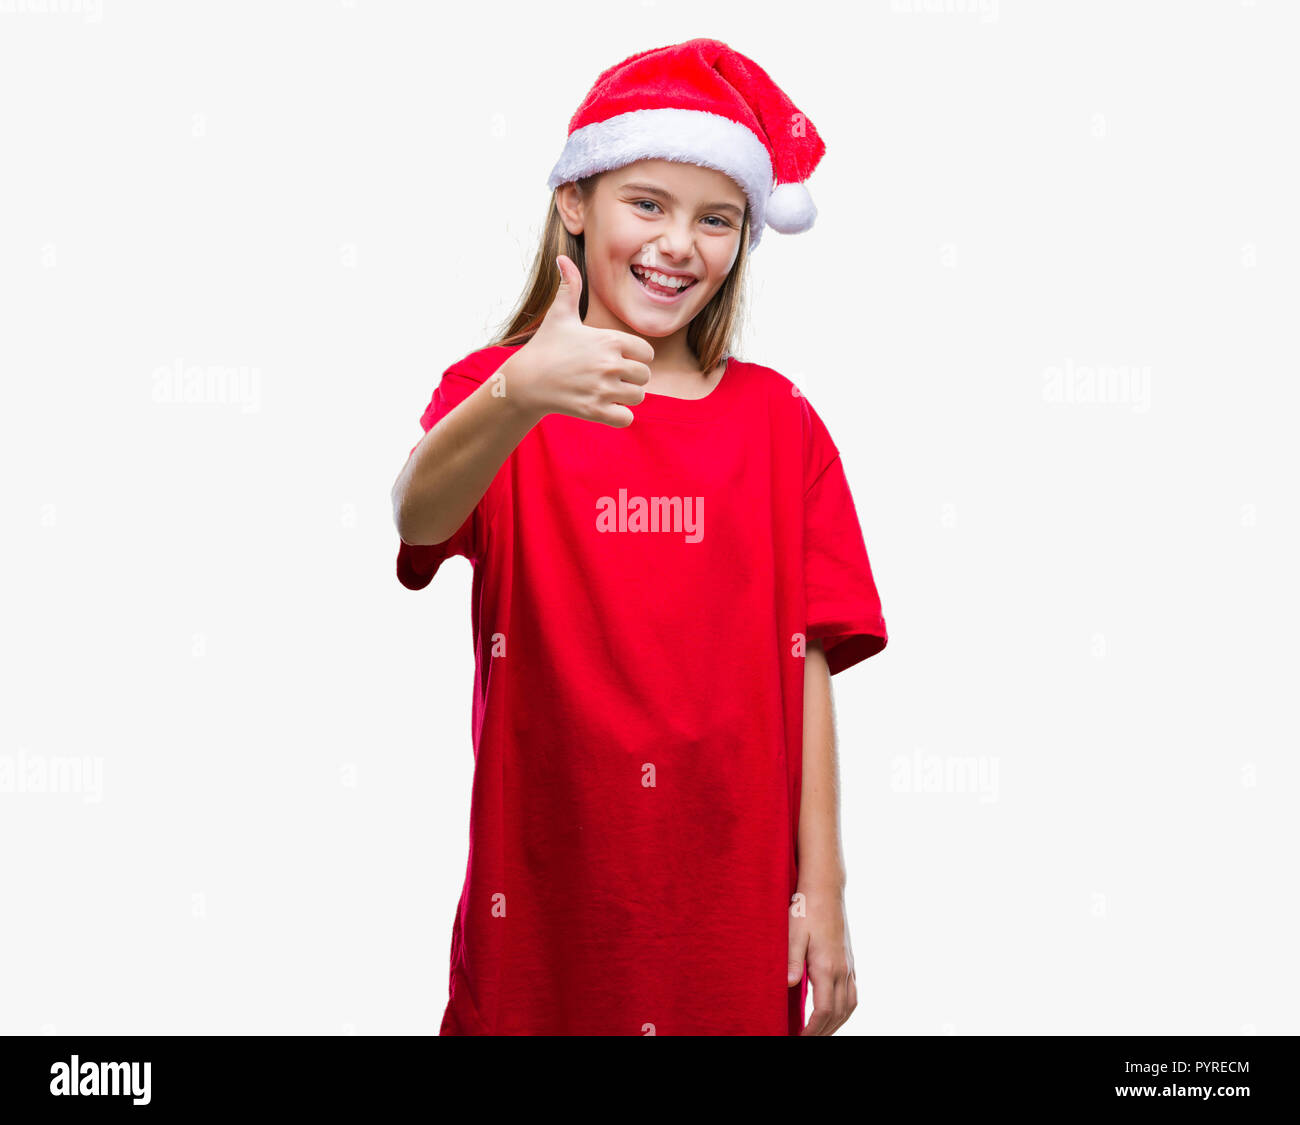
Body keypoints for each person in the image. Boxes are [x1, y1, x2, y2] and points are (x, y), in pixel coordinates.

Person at [390, 38, 888, 1036]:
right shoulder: (500, 396)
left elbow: (810, 666)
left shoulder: (779, 423)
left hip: (728, 899)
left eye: (716, 219)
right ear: (575, 201)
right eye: (647, 204)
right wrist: (518, 392)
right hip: (546, 889)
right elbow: (417, 516)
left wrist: (822, 896)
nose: (678, 245)